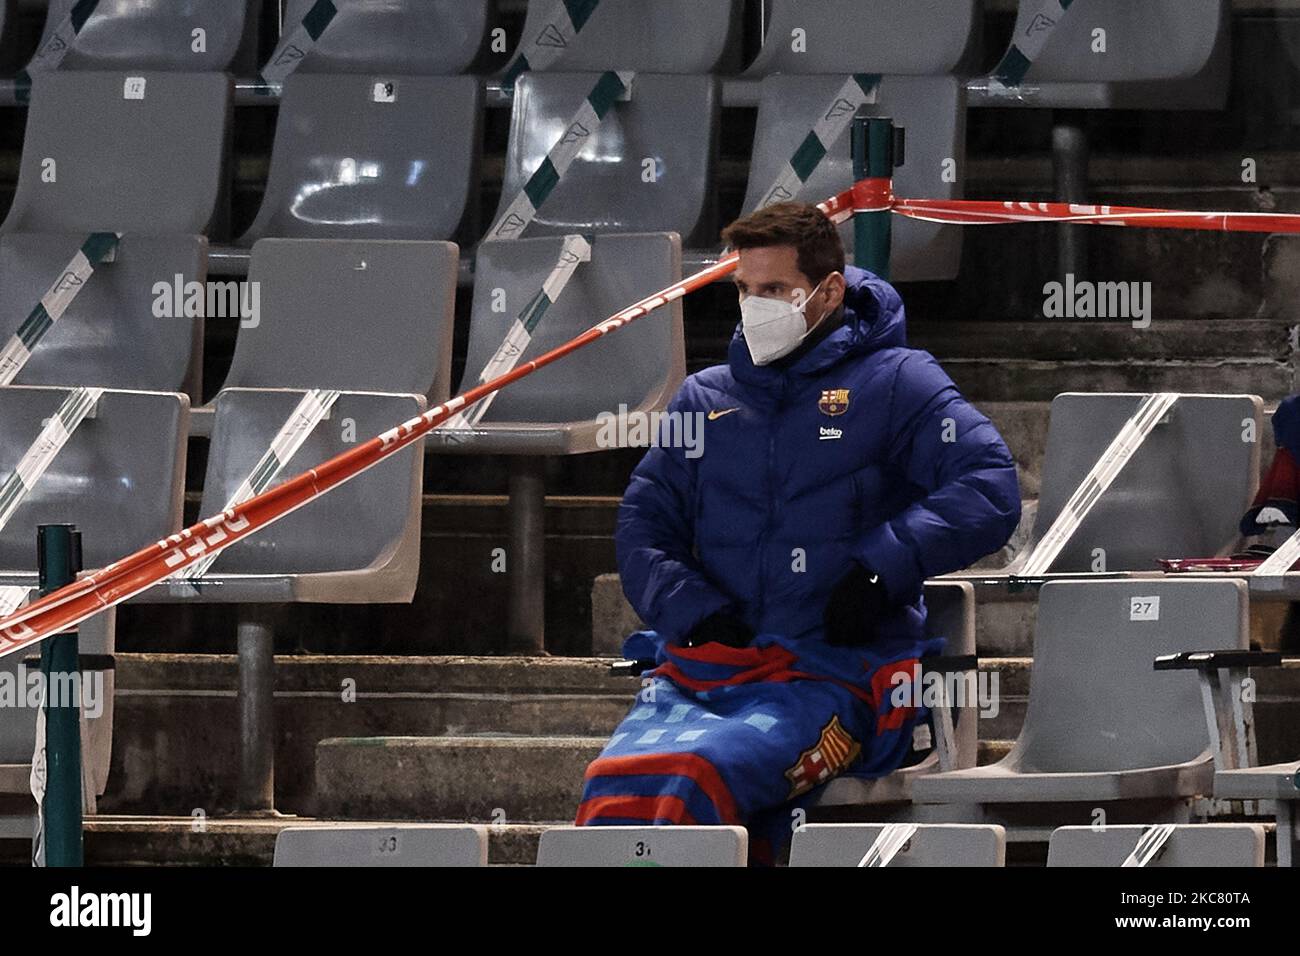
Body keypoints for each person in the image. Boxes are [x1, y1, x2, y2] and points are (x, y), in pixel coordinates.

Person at [574, 202, 1022, 863]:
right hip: (708, 675)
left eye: (775, 291)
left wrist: (879, 569)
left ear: (828, 290)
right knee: (610, 786)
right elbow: (644, 522)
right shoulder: (704, 398)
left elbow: (990, 485)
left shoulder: (898, 382)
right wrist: (693, 611)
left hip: (844, 679)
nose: (756, 306)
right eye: (745, 291)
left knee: (696, 781)